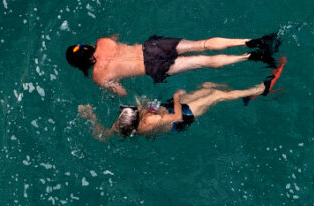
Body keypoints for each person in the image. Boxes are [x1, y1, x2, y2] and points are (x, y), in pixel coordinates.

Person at [77, 58, 285, 140]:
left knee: (208, 87)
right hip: (181, 116)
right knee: (215, 95)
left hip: (167, 109)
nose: (134, 109)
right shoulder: (149, 121)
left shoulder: (123, 123)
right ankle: (259, 89)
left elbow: (102, 135)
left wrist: (91, 116)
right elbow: (175, 115)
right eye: (136, 112)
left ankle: (245, 96)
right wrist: (176, 97)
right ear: (138, 120)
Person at [66, 33, 280, 96]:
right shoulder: (103, 42)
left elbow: (121, 92)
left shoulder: (98, 77)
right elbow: (115, 36)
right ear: (86, 47)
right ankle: (250, 41)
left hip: (153, 68)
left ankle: (248, 57)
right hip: (152, 48)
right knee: (202, 43)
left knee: (203, 62)